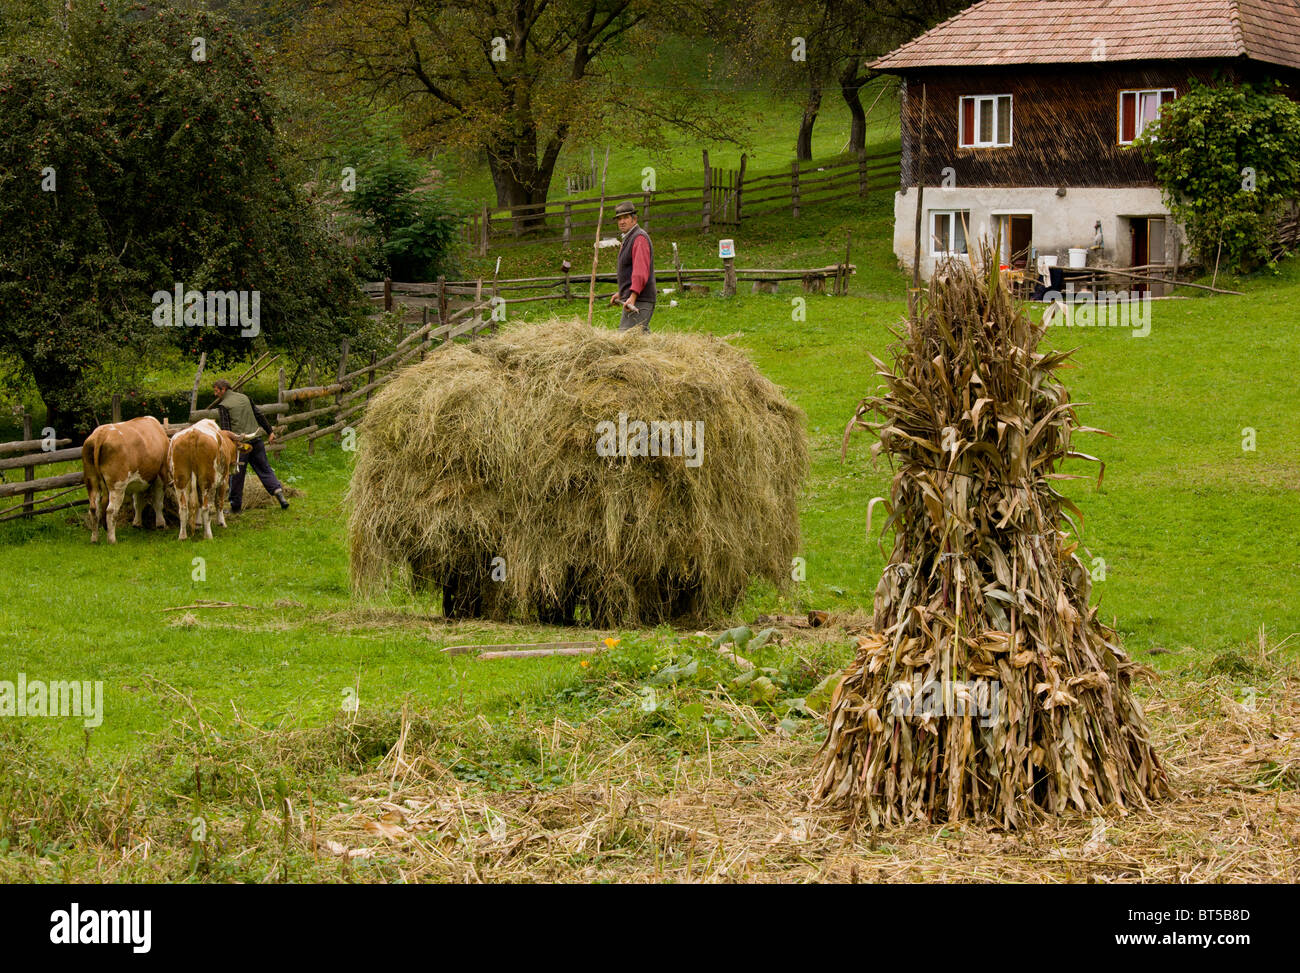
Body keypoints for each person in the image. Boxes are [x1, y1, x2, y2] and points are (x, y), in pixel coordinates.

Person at [212, 379, 289, 512]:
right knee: (265, 469)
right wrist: (270, 431)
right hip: (256, 440)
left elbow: (226, 429)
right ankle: (279, 495)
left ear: (223, 389)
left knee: (236, 475)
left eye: (216, 390)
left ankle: (235, 507)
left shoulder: (223, 405)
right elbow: (259, 414)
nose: (215, 394)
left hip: (240, 445)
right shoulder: (245, 398)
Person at [608, 200, 655, 331]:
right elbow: (629, 272)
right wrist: (622, 293)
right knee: (640, 340)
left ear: (634, 219)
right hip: (633, 298)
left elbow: (640, 272)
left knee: (626, 339)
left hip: (640, 299)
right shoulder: (629, 238)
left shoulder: (639, 238)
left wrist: (633, 296)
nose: (622, 222)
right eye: (619, 219)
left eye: (625, 218)